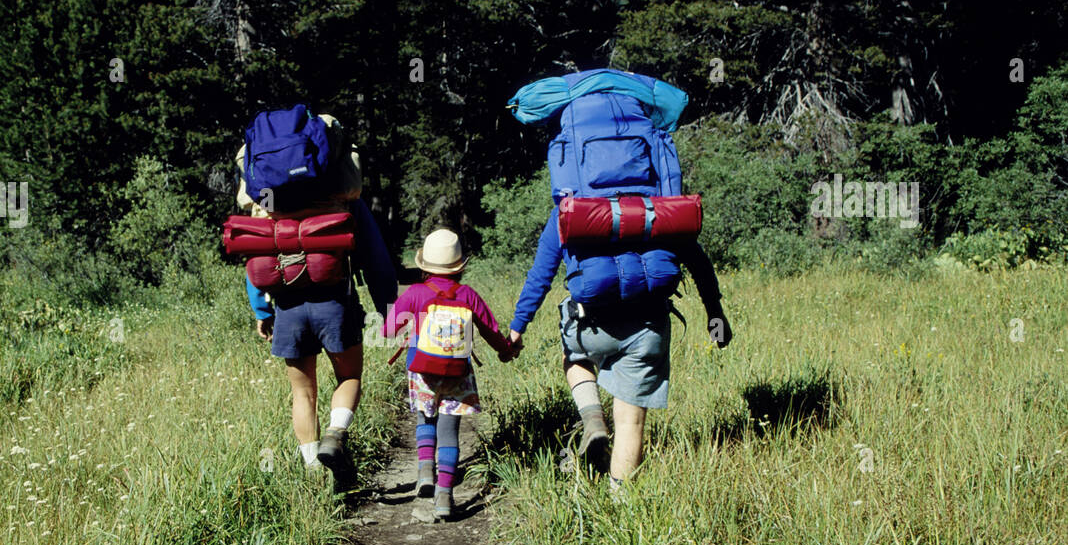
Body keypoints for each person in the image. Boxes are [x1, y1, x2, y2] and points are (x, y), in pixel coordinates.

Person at [507, 218, 731, 492]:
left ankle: (592, 417)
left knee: (575, 356)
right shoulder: (662, 208)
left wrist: (517, 328)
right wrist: (715, 316)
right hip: (648, 327)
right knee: (629, 423)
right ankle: (622, 503)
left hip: (588, 326)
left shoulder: (569, 207)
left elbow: (541, 275)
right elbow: (699, 264)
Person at [248, 196, 397, 479]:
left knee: (302, 393)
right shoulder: (343, 193)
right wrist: (387, 306)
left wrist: (261, 310)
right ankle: (335, 434)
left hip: (288, 308)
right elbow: (375, 255)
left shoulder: (270, 198)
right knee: (349, 377)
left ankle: (314, 471)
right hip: (335, 303)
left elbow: (256, 250)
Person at [382, 228, 516, 519]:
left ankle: (425, 472)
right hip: (458, 372)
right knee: (449, 431)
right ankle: (444, 496)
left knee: (425, 418)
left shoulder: (415, 293)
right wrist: (506, 351)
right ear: (460, 266)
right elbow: (491, 331)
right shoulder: (468, 295)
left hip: (421, 370)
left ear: (424, 265)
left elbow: (387, 330)